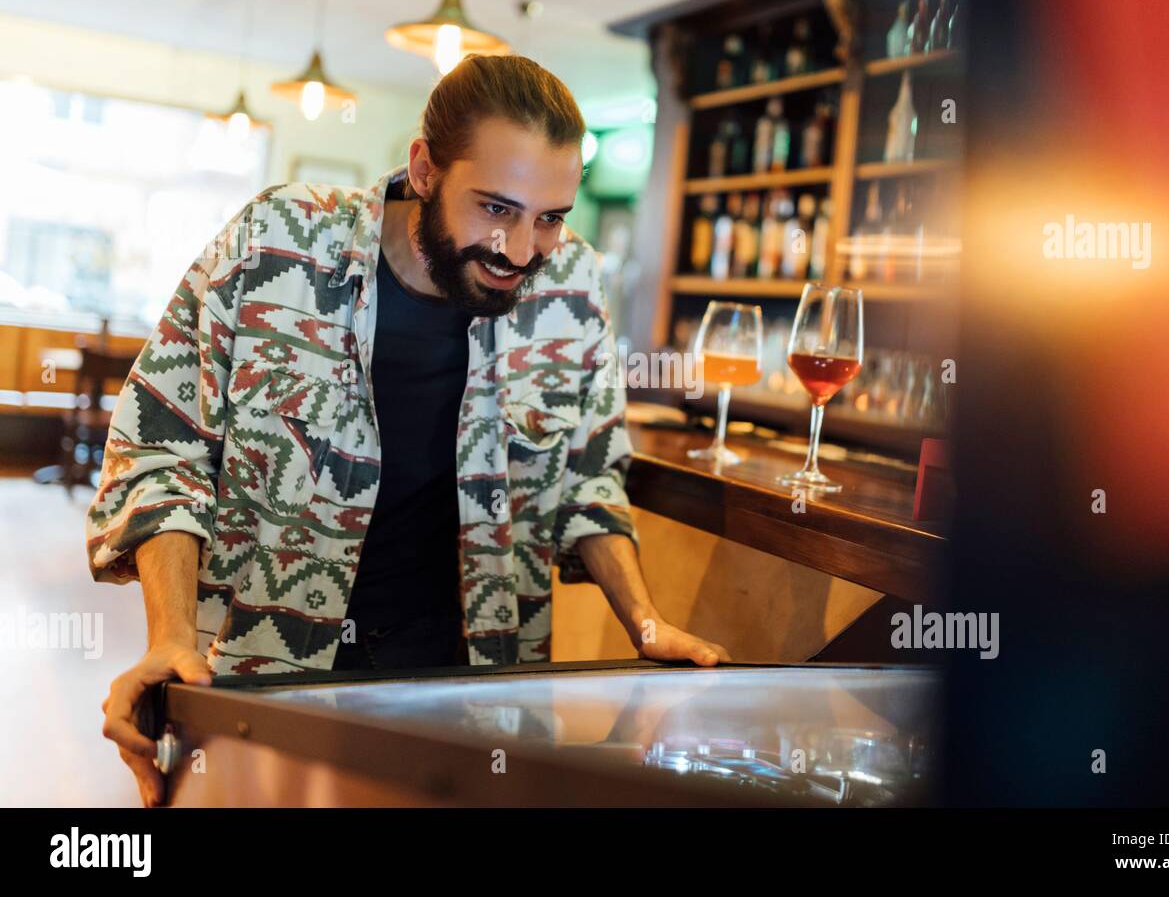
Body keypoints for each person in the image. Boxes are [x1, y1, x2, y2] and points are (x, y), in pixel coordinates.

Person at [89, 54, 731, 806]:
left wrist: (645, 623)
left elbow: (589, 480)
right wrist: (168, 638)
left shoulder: (572, 287)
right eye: (496, 208)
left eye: (550, 218)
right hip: (260, 682)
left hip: (472, 698)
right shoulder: (278, 241)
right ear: (424, 168)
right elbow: (164, 448)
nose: (521, 252)